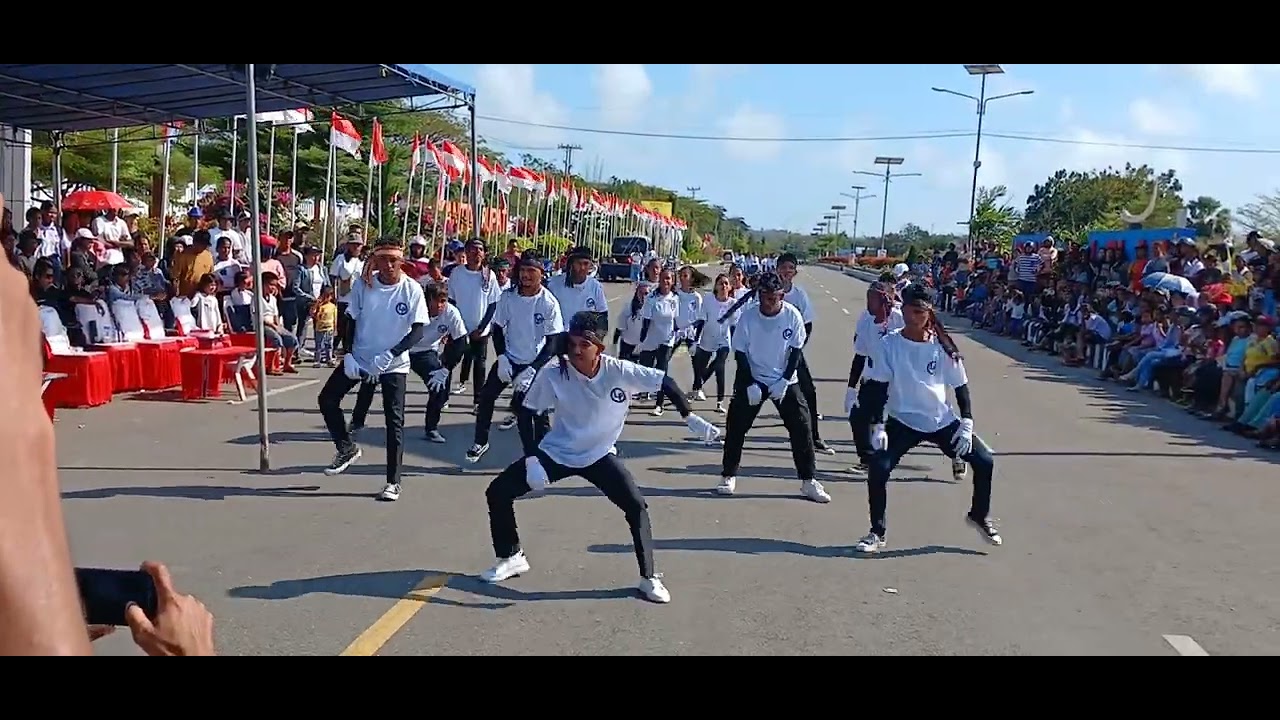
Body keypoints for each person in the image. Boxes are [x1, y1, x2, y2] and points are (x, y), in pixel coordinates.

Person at [479, 312, 720, 604]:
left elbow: (665, 381)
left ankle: (648, 578)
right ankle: (511, 555)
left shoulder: (620, 370)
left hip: (599, 454)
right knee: (497, 492)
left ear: (600, 349)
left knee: (636, 506)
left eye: (584, 344)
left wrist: (689, 416)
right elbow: (528, 412)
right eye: (572, 343)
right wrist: (532, 458)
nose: (576, 350)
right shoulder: (555, 372)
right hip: (558, 452)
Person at [855, 283, 1002, 554]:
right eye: (911, 311)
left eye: (922, 312)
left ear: (929, 312)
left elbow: (960, 386)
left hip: (940, 420)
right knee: (878, 468)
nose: (916, 318)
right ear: (904, 309)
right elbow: (877, 388)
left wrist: (967, 421)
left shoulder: (942, 346)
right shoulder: (889, 344)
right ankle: (877, 532)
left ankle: (979, 515)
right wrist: (877, 424)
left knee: (985, 461)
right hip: (902, 420)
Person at [316, 238, 429, 501]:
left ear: (401, 261)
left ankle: (393, 482)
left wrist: (391, 354)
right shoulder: (363, 285)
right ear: (374, 261)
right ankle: (346, 448)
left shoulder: (411, 289)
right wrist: (349, 354)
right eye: (383, 259)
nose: (388, 265)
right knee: (327, 399)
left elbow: (418, 330)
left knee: (394, 421)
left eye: (393, 260)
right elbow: (350, 319)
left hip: (394, 364)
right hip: (362, 358)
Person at [715, 272, 830, 503]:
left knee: (802, 426)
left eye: (773, 298)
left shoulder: (792, 316)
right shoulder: (748, 318)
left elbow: (796, 352)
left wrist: (785, 380)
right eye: (764, 297)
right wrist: (751, 384)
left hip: (784, 380)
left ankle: (808, 481)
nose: (768, 303)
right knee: (736, 425)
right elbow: (740, 353)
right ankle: (728, 475)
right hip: (754, 377)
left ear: (781, 295)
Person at [466, 254, 565, 463]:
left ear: (541, 274)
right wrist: (502, 357)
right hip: (510, 359)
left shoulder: (548, 302)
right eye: (523, 271)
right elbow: (499, 329)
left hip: (535, 364)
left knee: (534, 412)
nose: (526, 276)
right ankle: (480, 441)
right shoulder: (508, 297)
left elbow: (553, 343)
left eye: (532, 271)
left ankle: (542, 454)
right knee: (486, 397)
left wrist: (533, 369)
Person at [349, 283, 470, 447]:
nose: (441, 306)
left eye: (444, 301)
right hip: (397, 348)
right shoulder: (414, 306)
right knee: (370, 381)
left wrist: (446, 368)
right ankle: (357, 422)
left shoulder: (451, 313)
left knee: (440, 386)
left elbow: (461, 342)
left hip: (425, 353)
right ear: (428, 300)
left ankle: (431, 428)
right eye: (437, 301)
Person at [846, 281, 905, 474]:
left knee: (922, 423)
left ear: (884, 300)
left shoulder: (899, 319)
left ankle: (957, 452)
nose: (867, 303)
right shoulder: (865, 320)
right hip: (872, 379)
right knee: (858, 417)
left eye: (871, 298)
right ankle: (868, 460)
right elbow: (860, 355)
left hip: (899, 380)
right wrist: (851, 389)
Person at [448, 238, 502, 404]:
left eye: (479, 249)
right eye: (472, 249)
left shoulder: (488, 275)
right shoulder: (457, 273)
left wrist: (482, 327)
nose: (476, 253)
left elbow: (493, 304)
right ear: (466, 252)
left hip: (480, 332)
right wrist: (455, 326)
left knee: (480, 366)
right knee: (449, 363)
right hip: (459, 329)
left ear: (484, 253)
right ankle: (442, 397)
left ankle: (478, 401)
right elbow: (451, 301)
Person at [689, 273, 737, 413]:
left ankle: (720, 402)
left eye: (726, 284)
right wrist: (695, 341)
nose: (723, 286)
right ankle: (697, 386)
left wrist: (737, 345)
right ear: (716, 286)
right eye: (721, 283)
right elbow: (702, 320)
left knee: (719, 366)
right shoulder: (709, 300)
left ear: (730, 287)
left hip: (723, 340)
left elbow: (733, 326)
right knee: (700, 367)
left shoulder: (733, 304)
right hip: (707, 338)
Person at [637, 267, 681, 416]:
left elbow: (675, 320)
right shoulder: (651, 299)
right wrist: (641, 341)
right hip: (651, 339)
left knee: (662, 371)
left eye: (668, 279)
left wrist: (679, 335)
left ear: (672, 281)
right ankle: (645, 392)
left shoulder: (675, 298)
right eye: (663, 278)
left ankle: (659, 404)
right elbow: (646, 322)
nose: (665, 281)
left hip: (667, 340)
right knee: (649, 369)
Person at [547, 245, 609, 330]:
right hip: (560, 336)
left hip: (584, 338)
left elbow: (602, 314)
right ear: (572, 264)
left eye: (586, 264)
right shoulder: (553, 284)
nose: (582, 268)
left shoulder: (595, 286)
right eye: (579, 264)